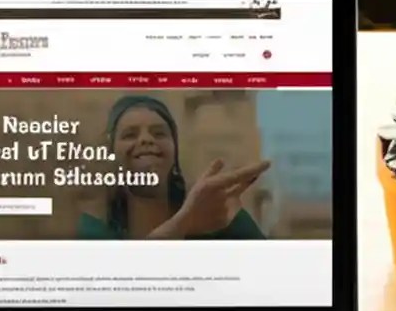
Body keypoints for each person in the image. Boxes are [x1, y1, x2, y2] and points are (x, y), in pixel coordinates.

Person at [76, 95, 270, 239]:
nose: (145, 139)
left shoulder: (213, 209)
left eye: (159, 133)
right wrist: (183, 224)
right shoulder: (92, 227)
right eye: (130, 135)